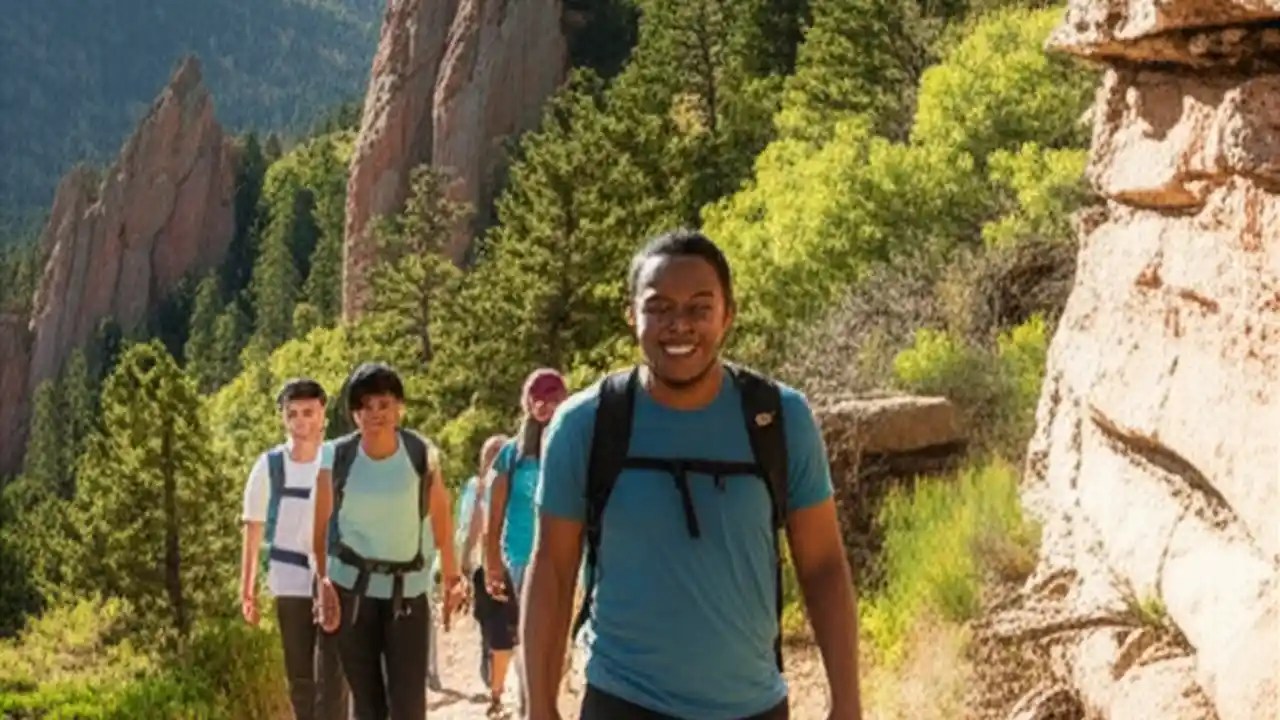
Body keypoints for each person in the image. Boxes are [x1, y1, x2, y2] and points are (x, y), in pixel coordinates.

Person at [523, 229, 863, 720]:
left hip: (753, 706)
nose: (678, 325)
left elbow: (824, 566)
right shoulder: (585, 424)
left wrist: (847, 703)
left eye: (699, 308)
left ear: (728, 315)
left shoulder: (780, 419)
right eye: (659, 308)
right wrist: (540, 707)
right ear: (631, 317)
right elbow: (552, 570)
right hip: (623, 701)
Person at [312, 362, 465, 720]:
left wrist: (453, 577)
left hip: (406, 594)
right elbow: (318, 525)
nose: (375, 414)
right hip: (351, 592)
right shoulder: (337, 456)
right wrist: (321, 581)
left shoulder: (420, 454)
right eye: (365, 406)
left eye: (384, 404)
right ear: (354, 415)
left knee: (409, 705)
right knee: (367, 704)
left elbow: (441, 517)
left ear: (400, 408)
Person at [239, 378, 350, 720]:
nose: (301, 422)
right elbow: (253, 526)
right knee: (301, 678)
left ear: (323, 415)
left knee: (335, 676)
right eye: (293, 414)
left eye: (308, 413)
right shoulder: (269, 466)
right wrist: (247, 588)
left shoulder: (339, 461)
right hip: (289, 584)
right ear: (283, 418)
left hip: (334, 581)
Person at [484, 369, 568, 717]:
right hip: (522, 556)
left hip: (568, 555)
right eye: (538, 396)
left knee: (559, 645)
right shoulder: (511, 455)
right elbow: (494, 513)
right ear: (526, 402)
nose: (545, 404)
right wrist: (491, 563)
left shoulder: (575, 444)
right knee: (532, 639)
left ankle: (546, 701)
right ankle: (529, 707)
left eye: (553, 396)